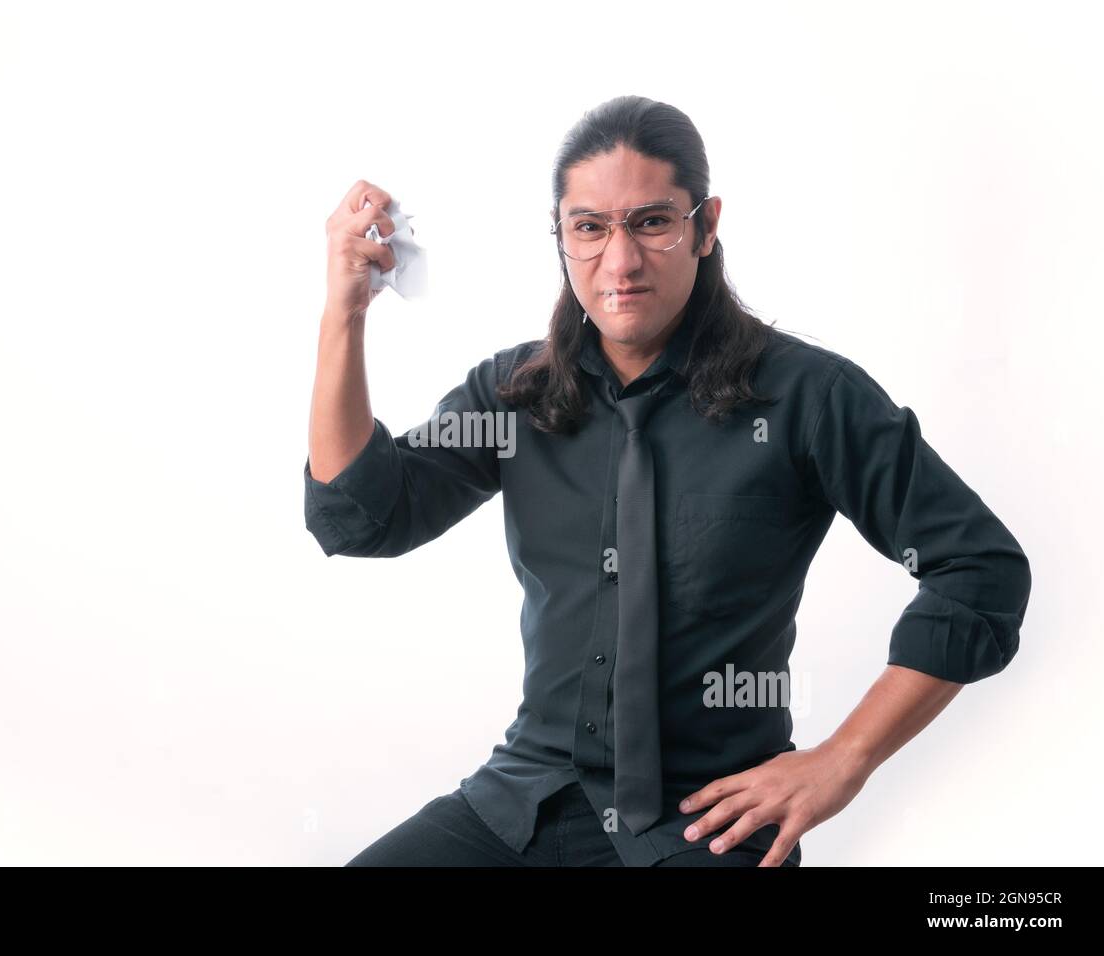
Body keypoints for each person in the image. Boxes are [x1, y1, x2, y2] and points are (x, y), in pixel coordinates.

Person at [303, 95, 1031, 867]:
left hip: (705, 821)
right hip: (528, 797)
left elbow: (978, 570)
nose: (620, 262)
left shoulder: (807, 398)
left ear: (705, 226)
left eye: (652, 222)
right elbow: (362, 517)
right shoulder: (514, 396)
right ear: (563, 238)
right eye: (589, 228)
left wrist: (840, 762)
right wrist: (344, 314)